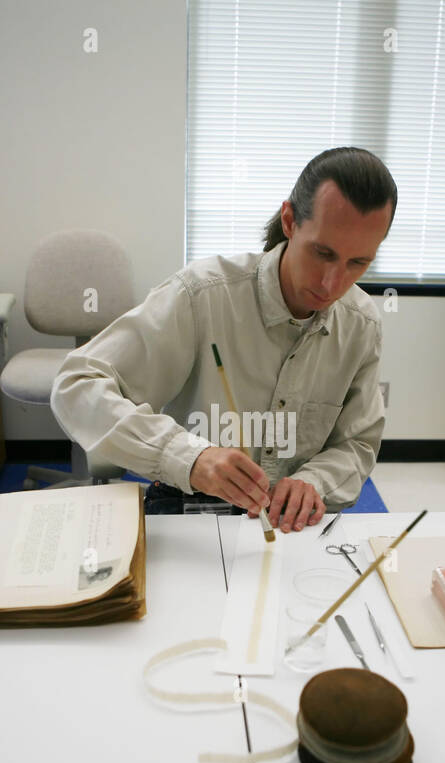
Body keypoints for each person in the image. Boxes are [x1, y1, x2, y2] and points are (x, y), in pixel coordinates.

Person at [51, 146, 396, 533]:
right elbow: (76, 385)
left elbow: (357, 443)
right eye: (322, 253)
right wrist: (187, 458)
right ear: (289, 221)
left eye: (357, 263)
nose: (333, 284)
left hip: (290, 523)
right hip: (190, 505)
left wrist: (314, 482)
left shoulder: (361, 323)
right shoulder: (202, 295)